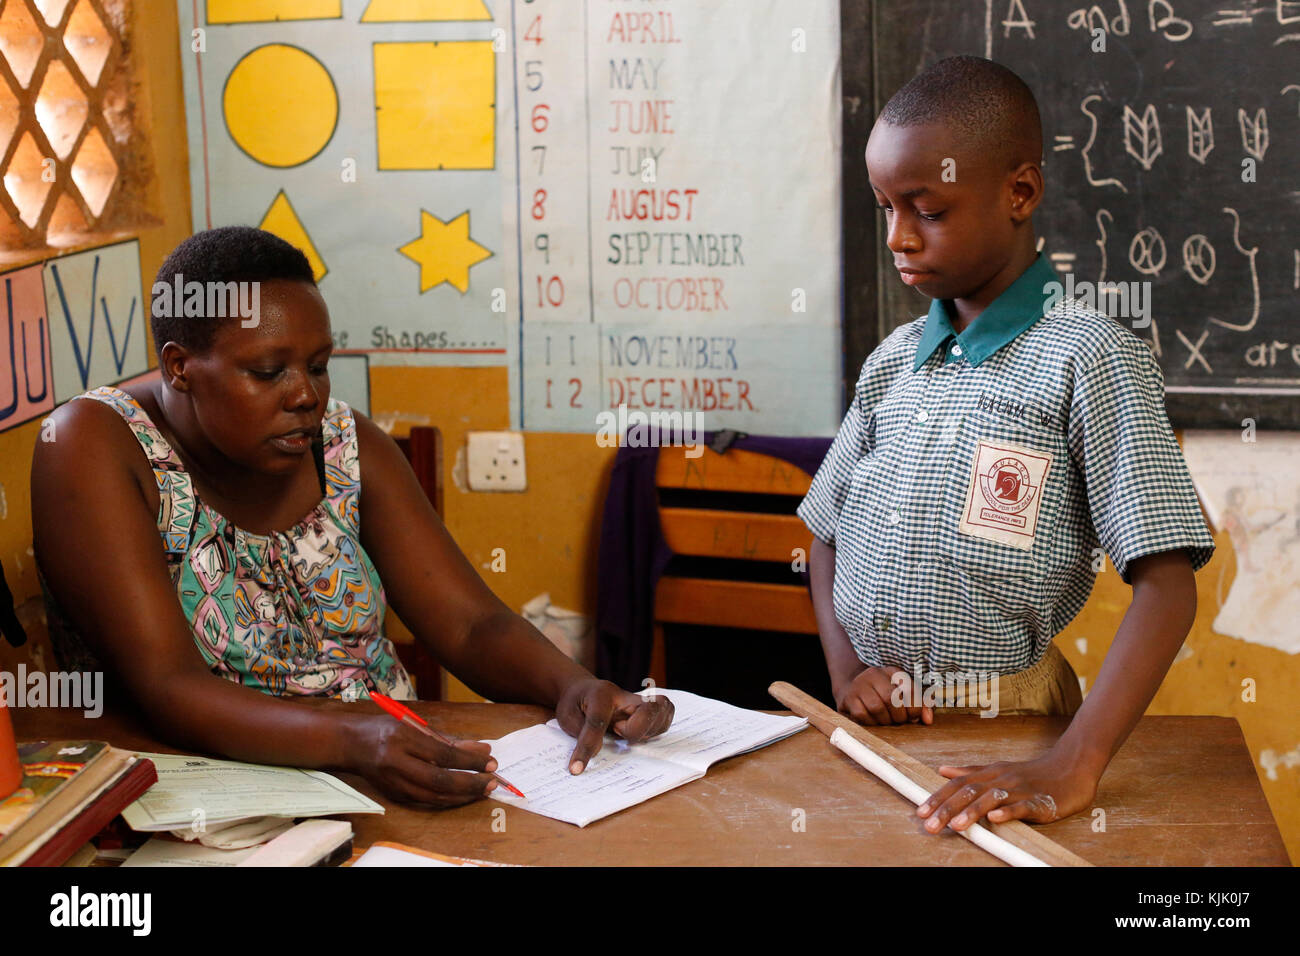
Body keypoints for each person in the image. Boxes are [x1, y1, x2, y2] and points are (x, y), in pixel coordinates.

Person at [31, 226, 673, 808]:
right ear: (179, 367)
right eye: (267, 371)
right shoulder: (93, 444)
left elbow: (470, 625)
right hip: (218, 798)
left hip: (390, 765)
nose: (306, 394)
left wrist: (574, 685)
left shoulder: (339, 440)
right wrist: (353, 737)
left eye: (316, 366)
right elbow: (167, 686)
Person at [797, 57, 1214, 833]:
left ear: (1019, 193)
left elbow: (1167, 582)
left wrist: (1073, 762)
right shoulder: (893, 362)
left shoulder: (1088, 356)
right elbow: (824, 533)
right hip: (878, 727)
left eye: (927, 208)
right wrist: (847, 672)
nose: (898, 236)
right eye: (885, 206)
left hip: (1014, 724)